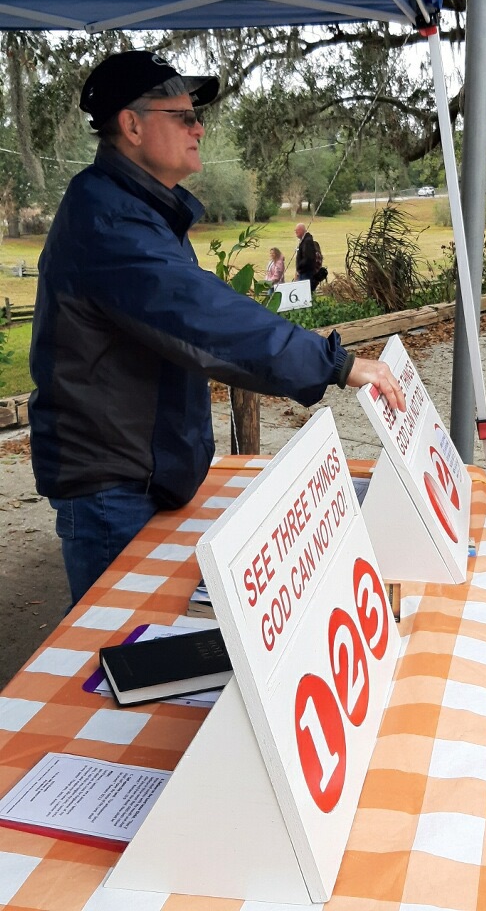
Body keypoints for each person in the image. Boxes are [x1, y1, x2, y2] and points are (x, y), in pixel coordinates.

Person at [29, 50, 405, 606]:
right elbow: (204, 320)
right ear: (131, 125)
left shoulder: (137, 208)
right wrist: (337, 363)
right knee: (126, 657)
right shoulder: (110, 220)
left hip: (145, 472)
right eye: (183, 116)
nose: (199, 127)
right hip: (113, 488)